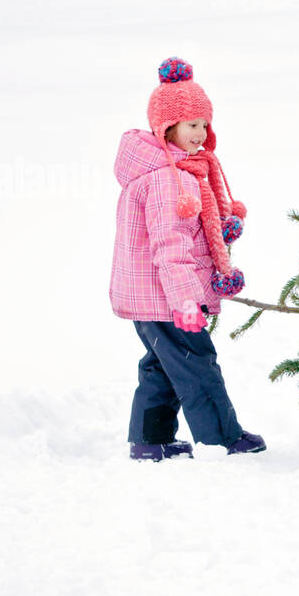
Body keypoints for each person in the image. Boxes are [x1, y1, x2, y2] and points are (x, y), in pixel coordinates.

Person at [109, 57, 265, 461]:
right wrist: (185, 301)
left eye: (204, 124)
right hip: (168, 298)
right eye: (192, 125)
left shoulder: (180, 171)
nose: (201, 134)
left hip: (154, 297)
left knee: (162, 366)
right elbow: (170, 247)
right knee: (197, 364)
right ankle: (222, 440)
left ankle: (150, 439)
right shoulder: (165, 179)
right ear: (167, 128)